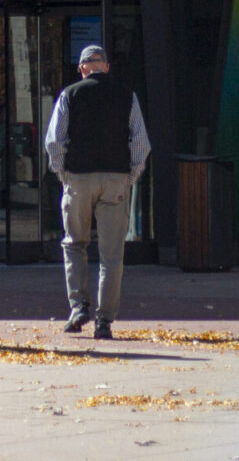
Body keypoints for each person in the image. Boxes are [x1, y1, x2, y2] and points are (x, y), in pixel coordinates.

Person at [45, 43, 150, 340]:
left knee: (74, 243)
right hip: (115, 177)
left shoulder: (69, 94)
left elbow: (54, 142)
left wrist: (64, 174)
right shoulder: (126, 95)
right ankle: (104, 320)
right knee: (112, 254)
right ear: (106, 66)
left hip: (78, 177)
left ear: (82, 68)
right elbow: (141, 143)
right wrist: (130, 175)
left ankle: (79, 306)